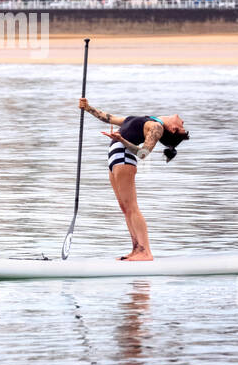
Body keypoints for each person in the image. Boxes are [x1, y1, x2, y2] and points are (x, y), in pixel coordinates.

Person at [78, 98, 189, 261]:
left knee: (132, 207)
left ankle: (145, 252)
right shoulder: (147, 120)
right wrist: (87, 108)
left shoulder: (156, 127)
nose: (182, 121)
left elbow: (144, 153)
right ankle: (136, 250)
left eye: (182, 126)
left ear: (173, 129)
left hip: (124, 158)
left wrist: (121, 140)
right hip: (114, 159)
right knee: (125, 208)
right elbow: (108, 118)